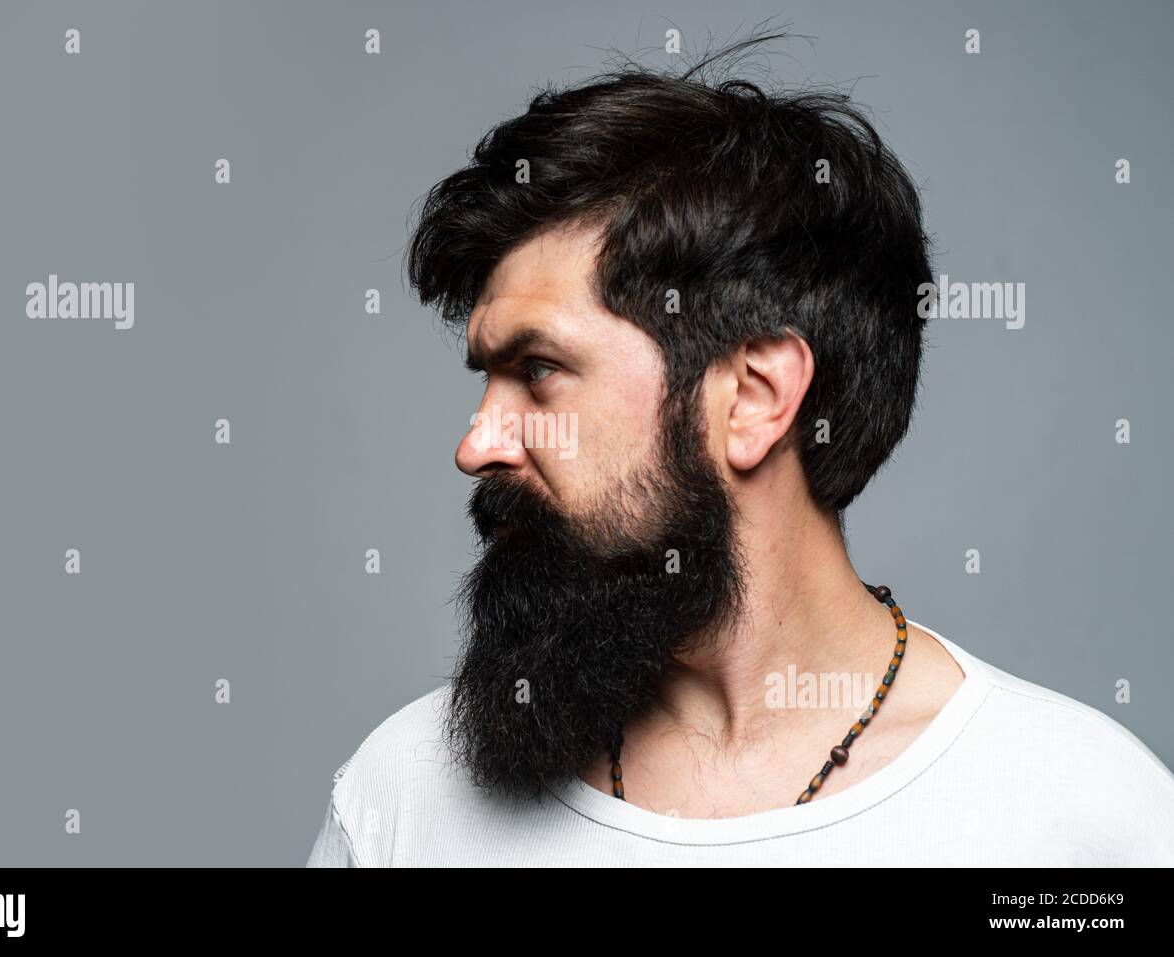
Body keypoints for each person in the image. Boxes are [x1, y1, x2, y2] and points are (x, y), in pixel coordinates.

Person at [307, 38, 1174, 866]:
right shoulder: (405, 796)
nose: (475, 444)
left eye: (538, 370)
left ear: (754, 399)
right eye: (487, 377)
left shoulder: (1086, 817)